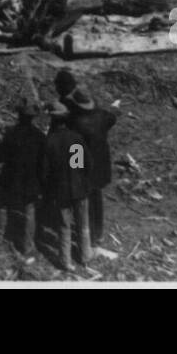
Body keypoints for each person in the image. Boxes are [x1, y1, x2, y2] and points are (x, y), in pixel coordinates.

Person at [40, 104, 91, 272]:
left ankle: (66, 261)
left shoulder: (50, 141)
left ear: (53, 121)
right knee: (83, 223)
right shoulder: (76, 138)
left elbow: (45, 171)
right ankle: (85, 256)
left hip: (61, 190)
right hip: (80, 188)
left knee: (64, 226)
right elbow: (86, 165)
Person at [0, 99, 45, 258]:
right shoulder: (39, 136)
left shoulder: (10, 133)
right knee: (29, 211)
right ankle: (27, 245)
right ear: (33, 118)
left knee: (2, 205)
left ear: (18, 116)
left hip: (10, 177)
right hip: (30, 180)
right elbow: (43, 162)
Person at [65, 89, 118, 250]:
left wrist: (74, 169)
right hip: (101, 165)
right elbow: (112, 118)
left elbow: (75, 147)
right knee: (97, 199)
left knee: (84, 203)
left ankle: (90, 237)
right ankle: (99, 233)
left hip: (83, 166)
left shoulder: (74, 122)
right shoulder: (102, 116)